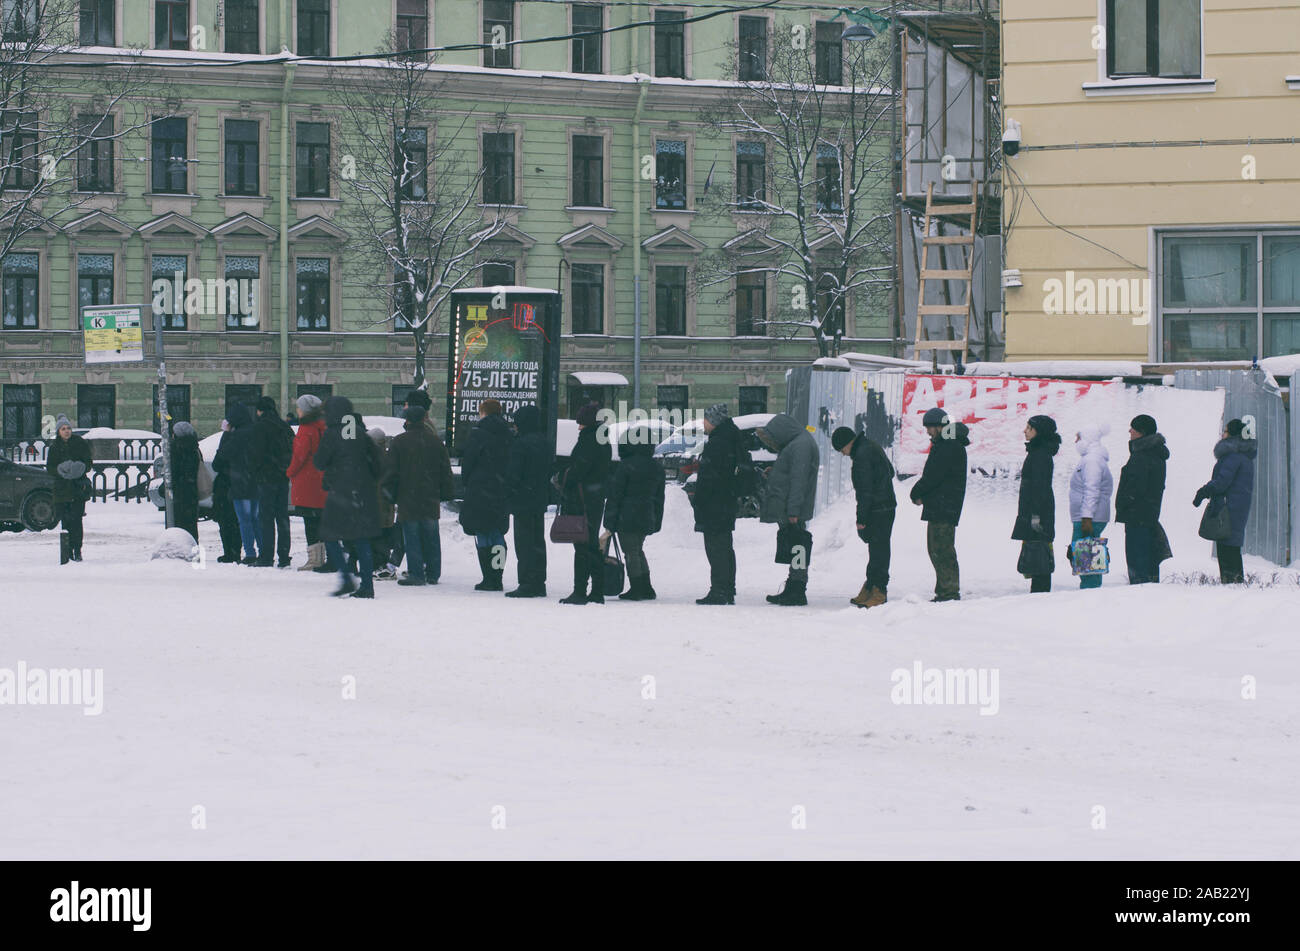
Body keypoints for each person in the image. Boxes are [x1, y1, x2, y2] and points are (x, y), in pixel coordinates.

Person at [314, 396, 383, 598]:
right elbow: (376, 463)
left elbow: (319, 462)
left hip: (341, 493)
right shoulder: (358, 431)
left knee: (330, 535)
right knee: (362, 539)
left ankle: (345, 578)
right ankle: (367, 585)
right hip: (362, 492)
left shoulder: (333, 433)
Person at [382, 405, 455, 587]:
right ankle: (433, 572)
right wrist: (445, 492)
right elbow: (445, 470)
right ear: (424, 419)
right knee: (431, 535)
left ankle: (416, 574)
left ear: (407, 421)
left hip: (408, 496)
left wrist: (390, 494)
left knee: (411, 536)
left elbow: (391, 472)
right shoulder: (435, 442)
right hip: (430, 496)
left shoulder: (399, 442)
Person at [756, 413, 819, 606]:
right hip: (792, 506)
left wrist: (793, 511)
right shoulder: (799, 442)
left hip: (793, 508)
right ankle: (794, 586)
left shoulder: (800, 445)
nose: (772, 442)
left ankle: (797, 589)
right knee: (796, 546)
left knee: (798, 546)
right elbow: (792, 473)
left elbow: (798, 481)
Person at [909, 408, 970, 602]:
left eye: (930, 427)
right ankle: (945, 590)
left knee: (941, 550)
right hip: (943, 504)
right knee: (938, 549)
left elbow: (933, 475)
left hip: (944, 506)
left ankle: (948, 592)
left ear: (940, 426)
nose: (927, 432)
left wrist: (917, 492)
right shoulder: (948, 443)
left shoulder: (948, 446)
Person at [832, 425, 896, 609]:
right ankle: (870, 586)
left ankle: (878, 590)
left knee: (878, 551)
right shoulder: (871, 446)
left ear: (847, 443)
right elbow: (889, 472)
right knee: (878, 549)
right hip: (886, 506)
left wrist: (861, 520)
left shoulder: (861, 456)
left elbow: (864, 492)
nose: (843, 454)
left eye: (842, 450)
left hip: (877, 509)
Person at [558, 402, 612, 604]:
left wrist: (562, 476)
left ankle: (580, 590)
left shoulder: (589, 441)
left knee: (582, 546)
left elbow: (578, 470)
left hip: (582, 500)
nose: (578, 427)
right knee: (590, 545)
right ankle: (597, 590)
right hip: (593, 498)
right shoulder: (601, 439)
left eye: (581, 423)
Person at [604, 425, 666, 600]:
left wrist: (609, 520)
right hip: (646, 515)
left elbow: (615, 495)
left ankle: (637, 588)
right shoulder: (656, 467)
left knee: (631, 552)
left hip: (627, 516)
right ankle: (646, 586)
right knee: (637, 550)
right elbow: (659, 498)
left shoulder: (626, 466)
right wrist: (656, 520)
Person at [459, 398, 513, 592]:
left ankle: (487, 577)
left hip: (479, 489)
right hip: (500, 490)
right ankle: (497, 576)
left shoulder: (478, 433)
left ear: (483, 412)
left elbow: (469, 462)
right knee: (497, 533)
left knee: (482, 533)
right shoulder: (508, 433)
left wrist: (468, 482)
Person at [1194, 418, 1257, 584]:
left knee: (1227, 548)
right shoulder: (1244, 457)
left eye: (1226, 431)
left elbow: (1222, 482)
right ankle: (1234, 584)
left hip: (1228, 508)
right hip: (1237, 507)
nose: (1222, 434)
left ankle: (1231, 584)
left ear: (1233, 435)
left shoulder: (1233, 457)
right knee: (1232, 547)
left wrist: (1204, 491)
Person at [692, 404, 741, 605]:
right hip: (726, 501)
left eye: (705, 419)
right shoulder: (731, 439)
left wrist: (699, 501)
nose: (703, 423)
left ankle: (720, 590)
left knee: (716, 548)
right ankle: (727, 588)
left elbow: (709, 478)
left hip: (715, 504)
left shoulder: (717, 443)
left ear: (714, 421)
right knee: (725, 547)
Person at [1115, 414, 1169, 585]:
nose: (1130, 431)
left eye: (1134, 428)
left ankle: (1139, 597)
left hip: (1136, 516)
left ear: (1142, 432)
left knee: (1137, 564)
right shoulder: (1156, 454)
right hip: (1149, 514)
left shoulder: (1141, 456)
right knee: (1149, 560)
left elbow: (1135, 487)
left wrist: (1123, 504)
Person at [505, 404, 552, 598]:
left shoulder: (521, 444)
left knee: (524, 543)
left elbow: (514, 474)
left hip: (523, 499)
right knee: (537, 541)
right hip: (539, 497)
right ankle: (539, 581)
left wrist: (510, 491)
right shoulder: (544, 442)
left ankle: (526, 582)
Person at [1012, 415, 1061, 593]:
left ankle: (1040, 595)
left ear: (1038, 432)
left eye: (1029, 428)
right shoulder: (1038, 452)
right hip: (1037, 512)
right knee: (1036, 553)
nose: (1024, 431)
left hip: (1038, 513)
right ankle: (1039, 592)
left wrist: (1035, 516)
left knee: (1039, 554)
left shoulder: (1040, 455)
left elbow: (1040, 488)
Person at [212, 403, 260, 564]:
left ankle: (249, 553)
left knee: (243, 520)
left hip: (238, 483)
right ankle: (264, 551)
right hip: (256, 482)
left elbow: (219, 460)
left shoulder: (236, 436)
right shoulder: (255, 432)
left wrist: (226, 434)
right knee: (256, 520)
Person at [249, 396, 294, 567]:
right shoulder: (284, 426)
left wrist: (255, 472)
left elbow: (255, 453)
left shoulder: (260, 427)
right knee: (282, 516)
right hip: (283, 476)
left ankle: (266, 556)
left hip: (266, 477)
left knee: (266, 518)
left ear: (260, 410)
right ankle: (284, 555)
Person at [287, 394, 330, 572]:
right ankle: (323, 557)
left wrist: (289, 472)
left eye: (299, 407)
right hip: (322, 481)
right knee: (320, 521)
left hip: (307, 482)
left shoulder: (306, 430)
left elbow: (299, 456)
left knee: (310, 523)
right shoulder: (324, 427)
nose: (297, 410)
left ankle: (314, 559)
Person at [1068, 423, 1114, 589]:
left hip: (1089, 518)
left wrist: (1086, 516)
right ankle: (1090, 589)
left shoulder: (1092, 460)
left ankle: (1090, 592)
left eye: (1078, 437)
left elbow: (1092, 489)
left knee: (1087, 558)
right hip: (1089, 516)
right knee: (1086, 556)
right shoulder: (1091, 458)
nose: (1076, 441)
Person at [46, 415, 92, 563]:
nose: (66, 431)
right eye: (63, 429)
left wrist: (79, 468)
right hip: (61, 490)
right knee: (65, 521)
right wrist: (60, 470)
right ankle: (67, 552)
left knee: (76, 521)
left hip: (78, 489)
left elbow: (88, 462)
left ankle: (77, 550)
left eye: (68, 428)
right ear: (59, 431)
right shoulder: (54, 447)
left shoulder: (80, 443)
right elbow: (50, 468)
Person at [367, 427, 405, 579]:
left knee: (378, 537)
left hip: (377, 503)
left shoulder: (373, 458)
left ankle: (380, 565)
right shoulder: (388, 457)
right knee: (383, 534)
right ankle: (381, 564)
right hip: (386, 503)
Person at [211, 417, 244, 563]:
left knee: (225, 521)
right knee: (237, 520)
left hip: (224, 486)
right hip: (239, 484)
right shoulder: (243, 438)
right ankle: (236, 551)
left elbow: (216, 464)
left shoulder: (227, 439)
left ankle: (230, 552)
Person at [169, 421, 202, 547]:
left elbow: (174, 471)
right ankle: (193, 546)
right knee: (191, 523)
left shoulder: (175, 448)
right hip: (192, 490)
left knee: (178, 522)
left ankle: (179, 546)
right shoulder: (194, 447)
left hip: (179, 491)